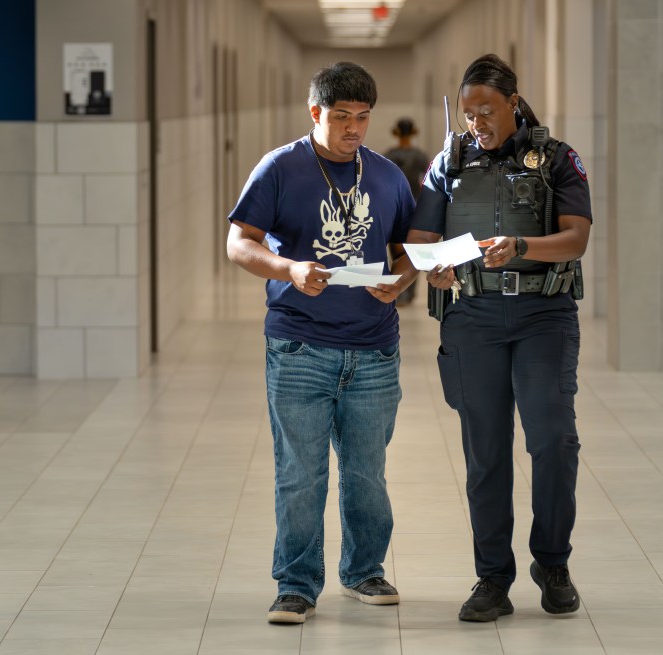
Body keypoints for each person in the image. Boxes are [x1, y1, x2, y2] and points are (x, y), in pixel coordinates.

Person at [226, 61, 418, 624]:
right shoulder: (281, 168)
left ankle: (364, 571)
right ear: (316, 113)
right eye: (342, 117)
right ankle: (296, 583)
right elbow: (240, 242)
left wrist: (401, 280)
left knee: (366, 472)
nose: (354, 128)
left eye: (363, 117)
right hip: (299, 347)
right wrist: (287, 269)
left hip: (374, 349)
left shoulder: (385, 176)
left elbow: (410, 248)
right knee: (300, 473)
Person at [406, 54, 592, 622]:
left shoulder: (557, 159)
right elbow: (422, 234)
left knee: (554, 441)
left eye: (486, 111)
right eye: (468, 113)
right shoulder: (449, 162)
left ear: (513, 102)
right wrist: (433, 266)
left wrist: (522, 246)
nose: (476, 123)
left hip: (543, 316)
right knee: (485, 454)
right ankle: (492, 578)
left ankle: (552, 562)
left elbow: (577, 238)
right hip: (475, 319)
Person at [384, 117, 430, 306]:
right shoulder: (417, 155)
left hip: (400, 206)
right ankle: (405, 291)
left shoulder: (390, 155)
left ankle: (404, 291)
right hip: (410, 207)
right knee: (409, 249)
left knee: (405, 249)